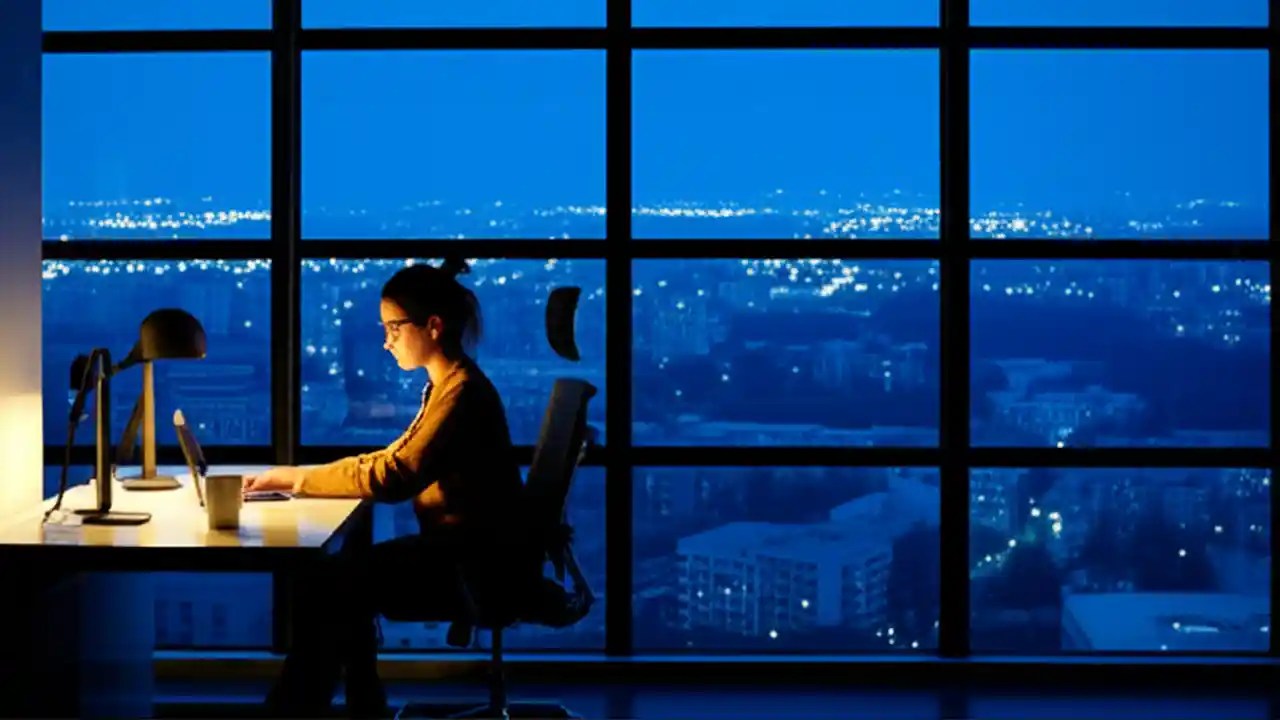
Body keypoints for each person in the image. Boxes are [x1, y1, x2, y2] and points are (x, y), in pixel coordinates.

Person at [244, 258, 528, 718]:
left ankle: (309, 711)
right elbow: (393, 462)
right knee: (339, 581)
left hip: (470, 563)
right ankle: (354, 707)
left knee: (333, 584)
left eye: (393, 328)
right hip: (467, 554)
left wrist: (297, 479)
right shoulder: (450, 388)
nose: (386, 340)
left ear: (432, 326)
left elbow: (396, 475)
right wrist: (298, 476)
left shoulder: (460, 396)